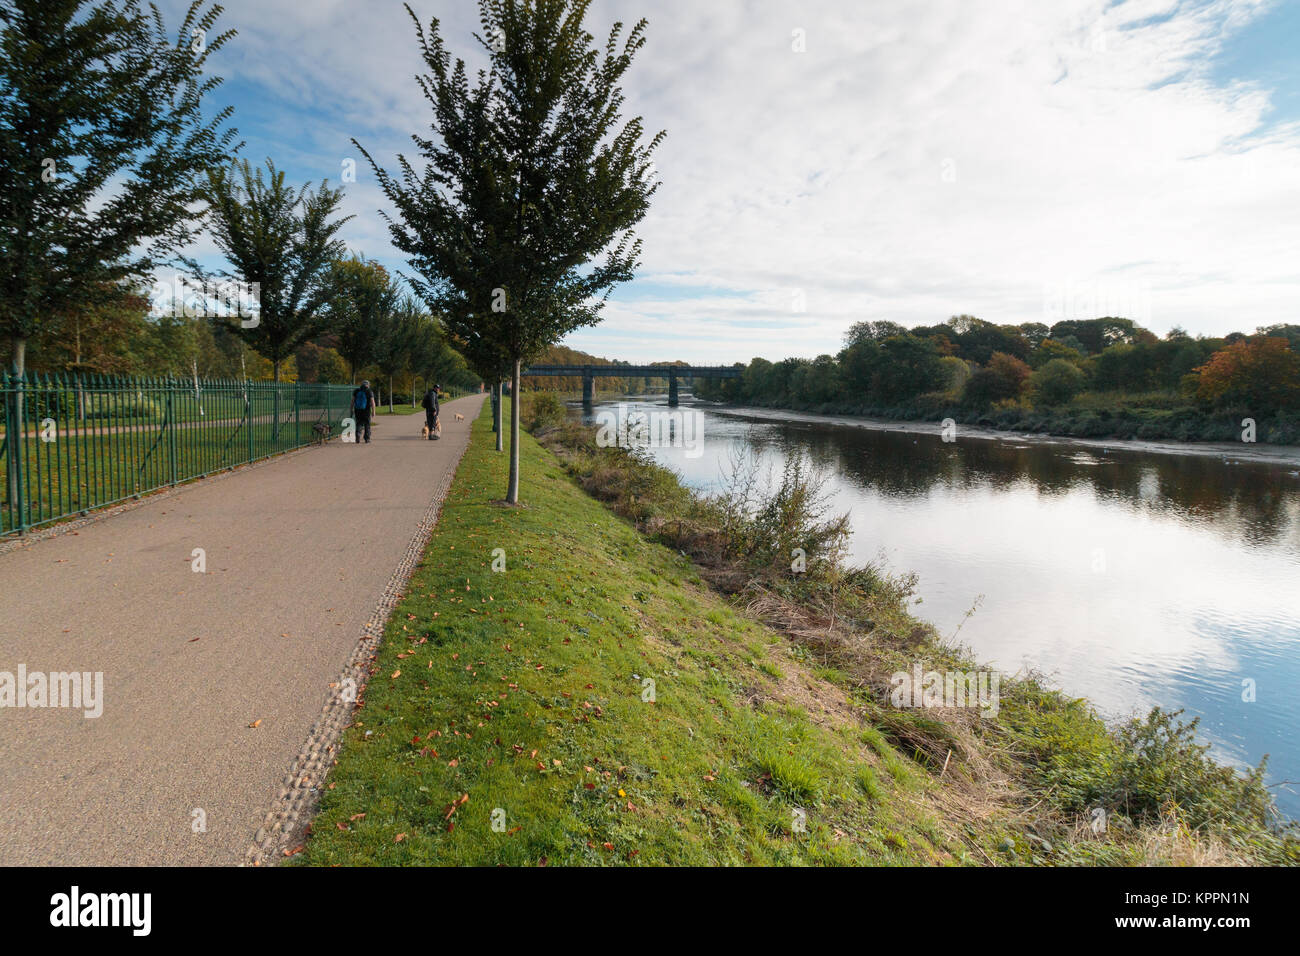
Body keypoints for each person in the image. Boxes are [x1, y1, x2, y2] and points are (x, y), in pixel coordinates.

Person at [351, 379, 377, 444]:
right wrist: (374, 411)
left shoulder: (356, 391)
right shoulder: (369, 391)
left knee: (359, 423)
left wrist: (351, 409)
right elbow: (372, 402)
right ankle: (367, 439)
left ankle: (357, 436)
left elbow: (352, 401)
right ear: (368, 385)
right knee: (367, 424)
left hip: (357, 410)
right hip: (366, 410)